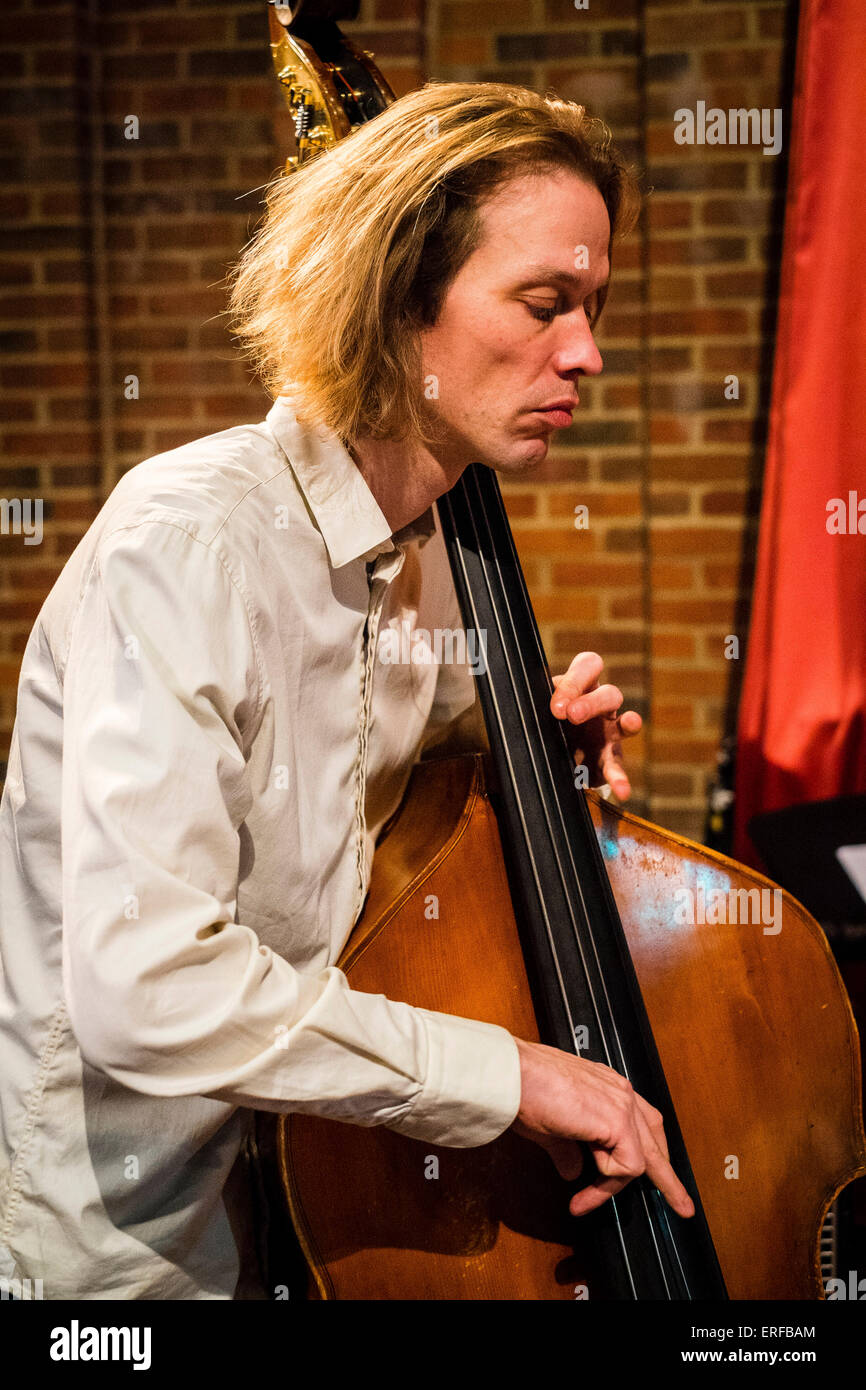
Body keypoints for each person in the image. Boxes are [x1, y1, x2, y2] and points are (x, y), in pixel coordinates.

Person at [0, 80, 693, 1302]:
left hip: (318, 1198)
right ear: (395, 292)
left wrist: (518, 737)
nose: (585, 351)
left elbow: (376, 749)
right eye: (543, 302)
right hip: (126, 1256)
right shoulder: (191, 543)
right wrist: (512, 1077)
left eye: (592, 307)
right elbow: (146, 984)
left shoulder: (423, 558)